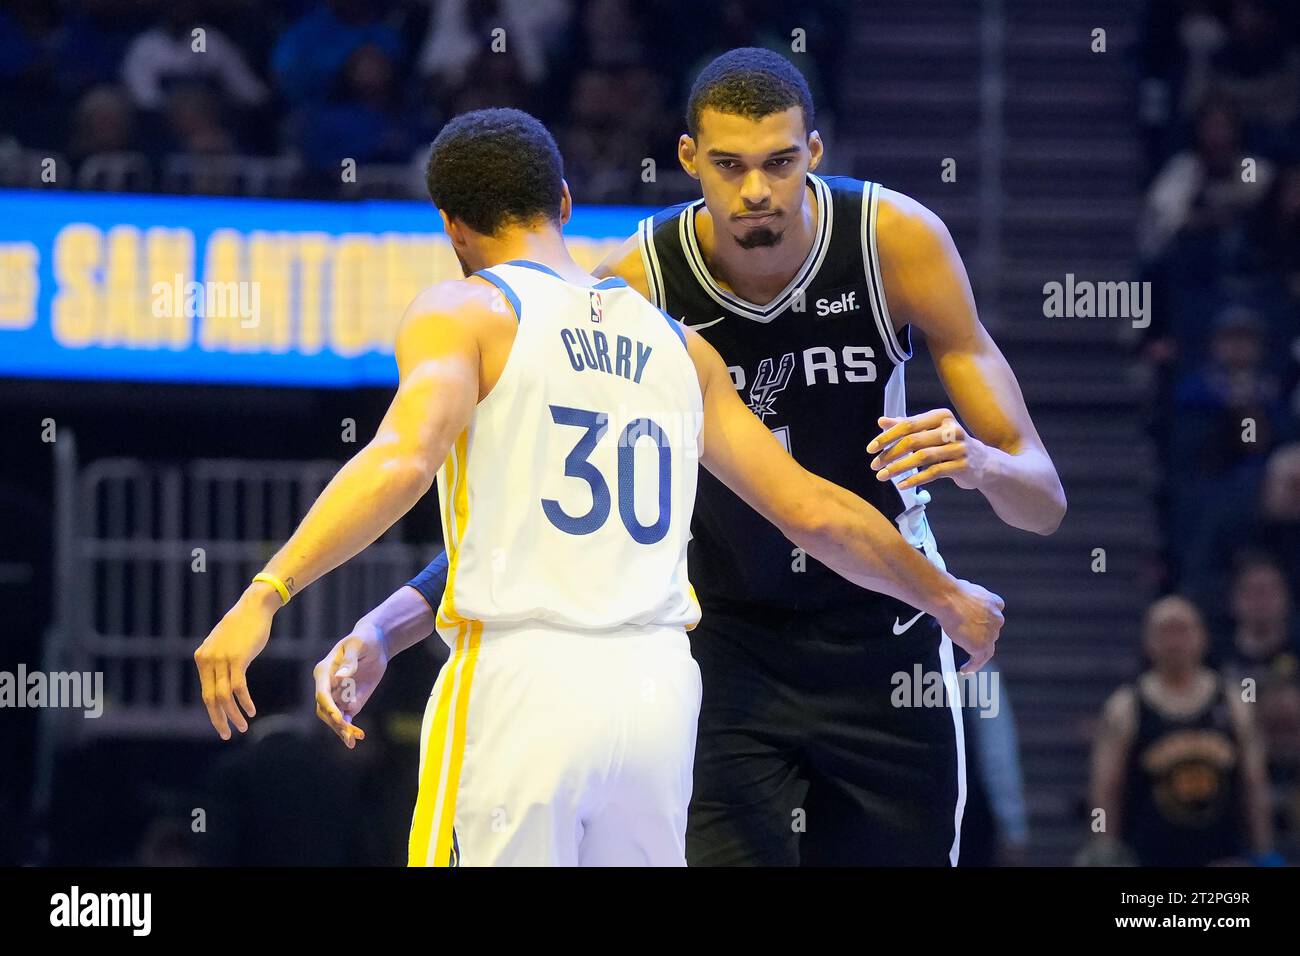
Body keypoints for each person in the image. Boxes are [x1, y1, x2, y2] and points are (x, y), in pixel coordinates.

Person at [194, 107, 1004, 867]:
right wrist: (947, 597)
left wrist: (268, 591)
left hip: (523, 682)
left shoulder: (467, 312)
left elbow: (402, 459)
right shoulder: (678, 344)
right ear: (566, 203)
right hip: (656, 693)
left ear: (452, 228)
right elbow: (811, 511)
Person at [1089, 596, 1275, 866]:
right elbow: (1106, 789)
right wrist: (1104, 848)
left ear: (1203, 637)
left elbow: (1254, 783)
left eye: (1183, 630)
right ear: (1148, 640)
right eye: (1165, 631)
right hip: (1148, 857)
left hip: (1222, 859)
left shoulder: (1234, 702)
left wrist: (1263, 848)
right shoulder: (1125, 705)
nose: (1174, 642)